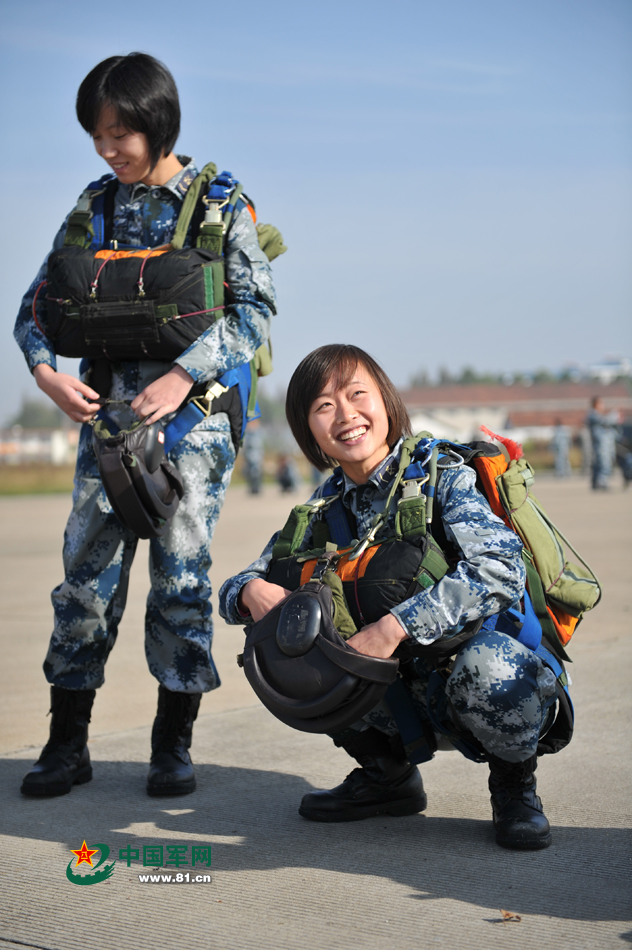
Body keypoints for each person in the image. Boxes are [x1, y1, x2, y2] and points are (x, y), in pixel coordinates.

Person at [14, 53, 276, 798]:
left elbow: (254, 311)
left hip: (189, 425)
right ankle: (68, 745)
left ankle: (172, 746)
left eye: (119, 133)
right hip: (104, 424)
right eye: (97, 135)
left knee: (182, 581)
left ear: (157, 123)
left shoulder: (223, 201)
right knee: (85, 586)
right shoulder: (92, 206)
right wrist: (46, 374)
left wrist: (184, 373)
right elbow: (34, 309)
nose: (107, 149)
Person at [219, 344, 564, 850]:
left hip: (472, 677)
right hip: (391, 693)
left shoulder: (442, 479)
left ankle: (515, 787)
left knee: (488, 665)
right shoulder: (318, 512)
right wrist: (251, 590)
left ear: (385, 401)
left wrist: (394, 628)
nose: (346, 415)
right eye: (324, 407)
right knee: (274, 650)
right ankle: (387, 776)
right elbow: (235, 588)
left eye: (357, 395)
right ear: (309, 430)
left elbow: (502, 568)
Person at [586, 397, 620, 490]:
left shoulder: (595, 414)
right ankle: (602, 482)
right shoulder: (593, 414)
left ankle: (597, 483)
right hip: (600, 444)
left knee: (599, 462)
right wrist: (613, 414)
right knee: (604, 462)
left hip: (601, 444)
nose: (603, 406)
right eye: (601, 403)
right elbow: (606, 421)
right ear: (596, 404)